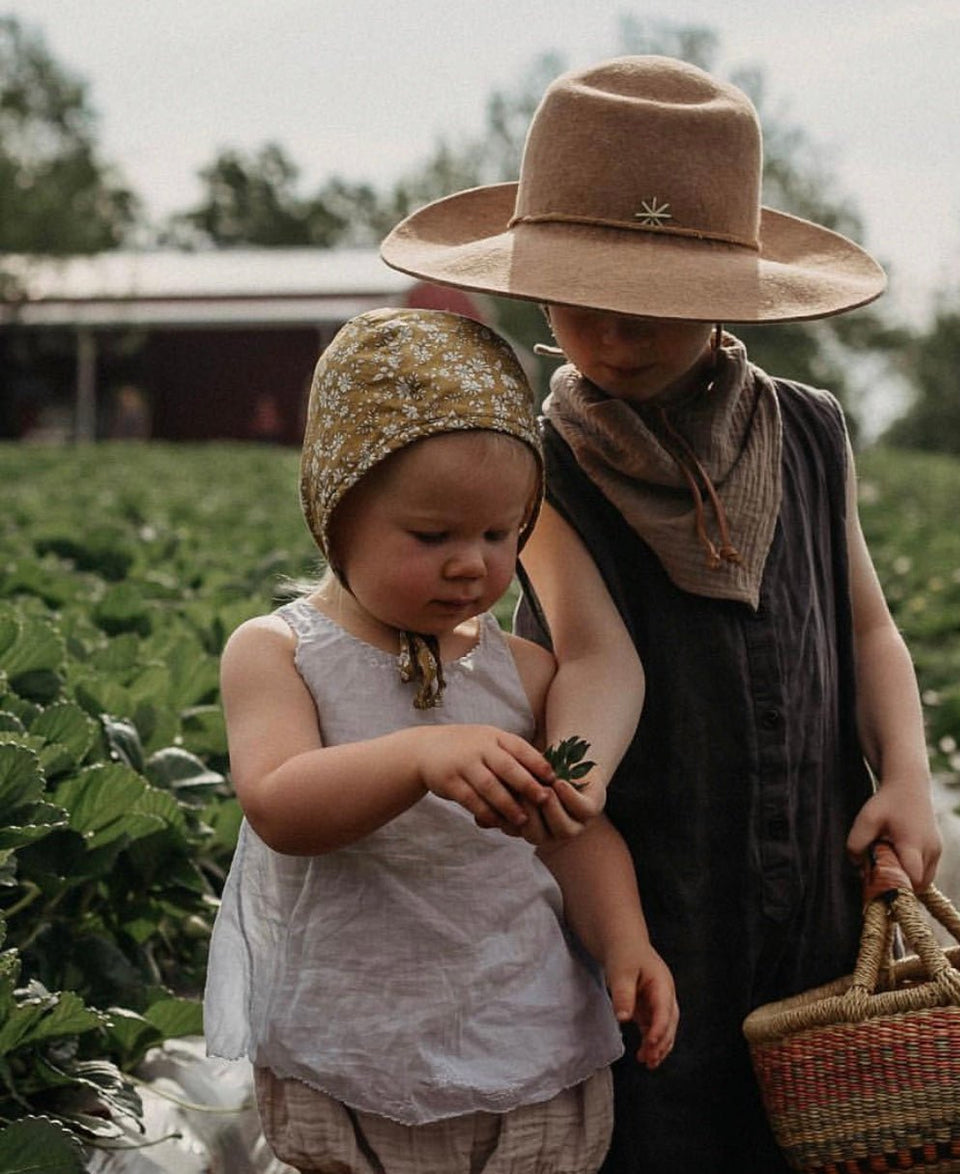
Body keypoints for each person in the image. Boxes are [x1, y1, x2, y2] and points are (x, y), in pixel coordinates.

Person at [379, 55, 944, 1173]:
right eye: (581, 305)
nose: (613, 341)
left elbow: (868, 627)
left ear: (727, 297)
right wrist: (571, 774)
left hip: (816, 901)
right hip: (642, 910)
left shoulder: (811, 432)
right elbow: (594, 653)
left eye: (653, 313)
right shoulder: (535, 469)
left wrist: (911, 776)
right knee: (660, 1136)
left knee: (814, 1140)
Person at [204, 307, 677, 1174]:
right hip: (353, 1050)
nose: (473, 565)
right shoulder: (278, 655)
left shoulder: (525, 673)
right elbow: (278, 803)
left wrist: (626, 943)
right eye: (433, 536)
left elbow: (573, 834)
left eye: (501, 534)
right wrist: (421, 755)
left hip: (523, 1040)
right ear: (334, 512)